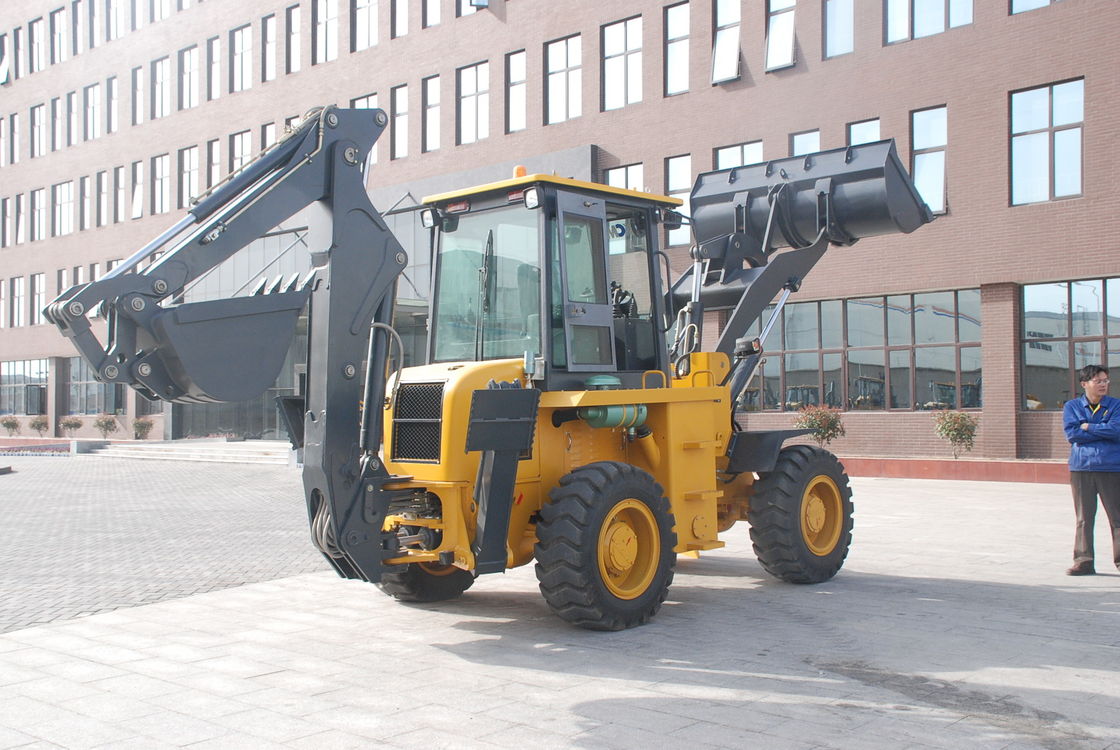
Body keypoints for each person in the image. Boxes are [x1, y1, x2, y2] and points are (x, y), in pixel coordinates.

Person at [1062, 364, 1120, 575]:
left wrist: (1088, 426)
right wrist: (1101, 430)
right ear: (1084, 384)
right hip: (1081, 468)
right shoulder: (1072, 407)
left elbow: (1117, 430)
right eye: (1098, 381)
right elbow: (1072, 435)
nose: (1103, 384)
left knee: (1117, 517)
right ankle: (1084, 561)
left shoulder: (1116, 405)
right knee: (1084, 517)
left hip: (1112, 467)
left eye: (1105, 380)